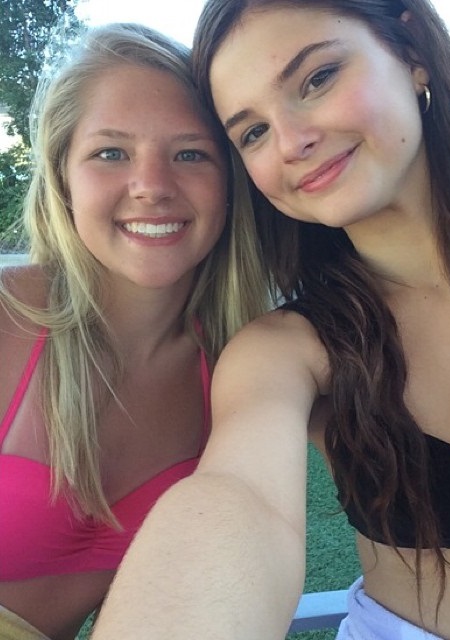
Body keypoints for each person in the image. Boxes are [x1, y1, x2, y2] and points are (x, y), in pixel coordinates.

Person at [90, 2, 450, 639]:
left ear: (412, 53)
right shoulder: (290, 350)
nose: (291, 142)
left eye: (318, 78)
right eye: (253, 132)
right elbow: (237, 499)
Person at [0, 21, 269, 640]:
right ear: (63, 176)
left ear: (232, 182)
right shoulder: (7, 314)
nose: (151, 186)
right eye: (111, 153)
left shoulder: (244, 367)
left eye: (191, 154)